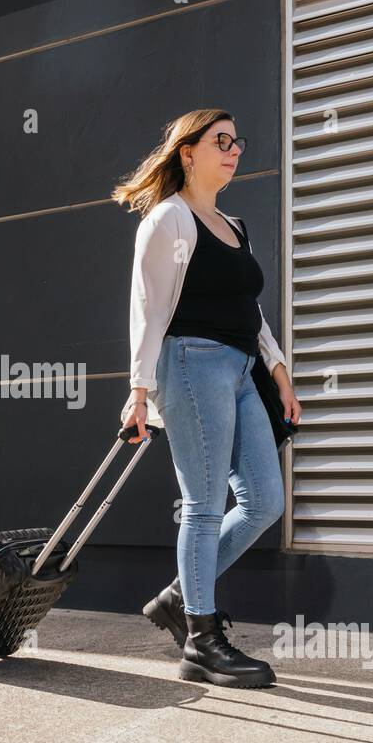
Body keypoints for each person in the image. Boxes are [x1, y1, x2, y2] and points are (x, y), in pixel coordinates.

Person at [112, 109, 302, 688]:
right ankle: (200, 638)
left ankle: (179, 594)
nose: (234, 149)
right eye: (220, 141)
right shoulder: (168, 220)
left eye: (237, 141)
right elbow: (148, 310)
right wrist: (137, 392)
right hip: (192, 363)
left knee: (264, 501)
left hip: (243, 368)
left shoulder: (232, 225)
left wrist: (278, 368)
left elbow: (251, 309)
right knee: (202, 504)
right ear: (187, 152)